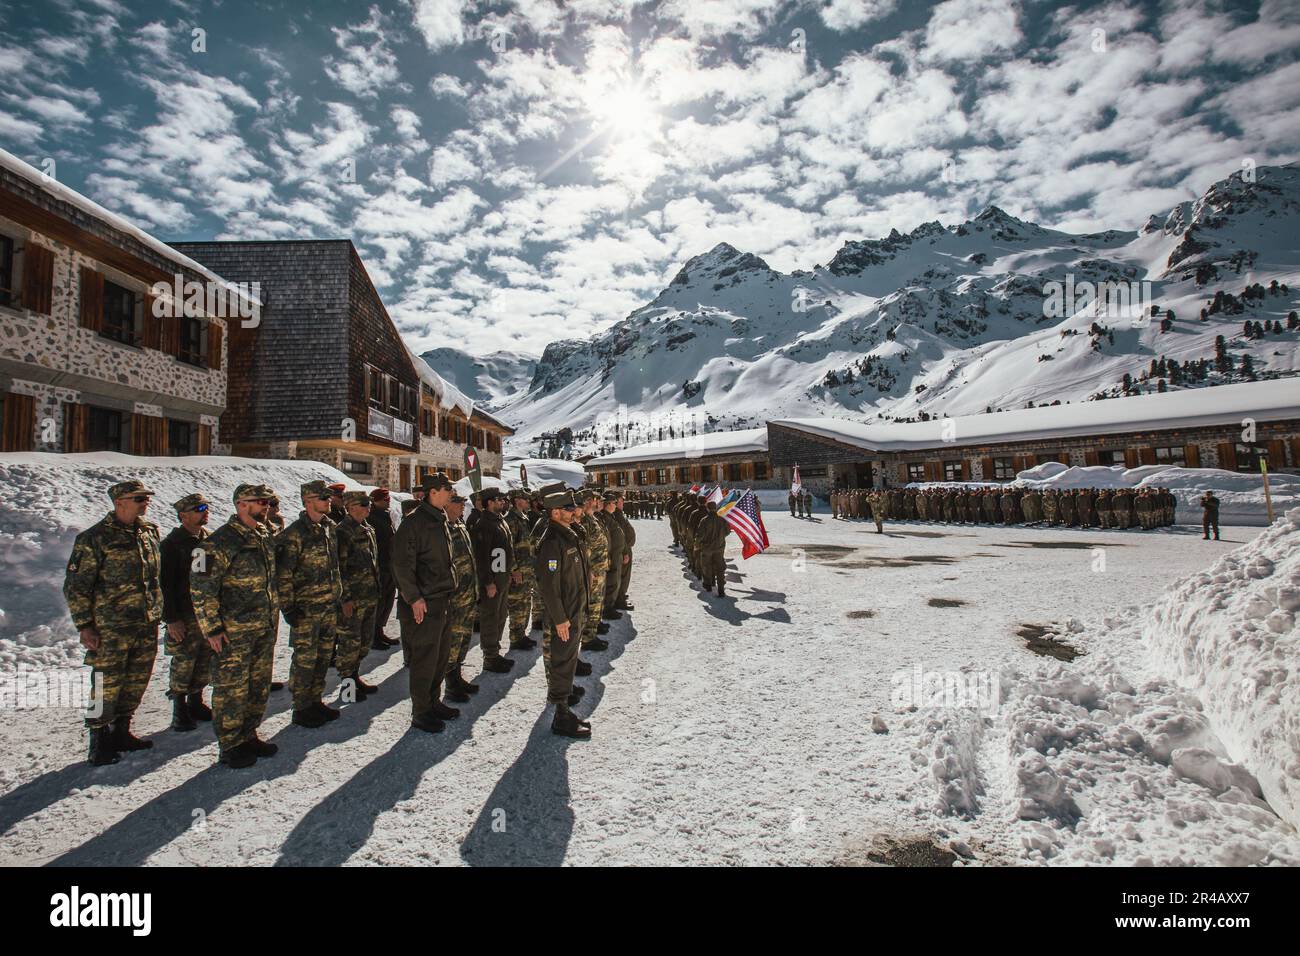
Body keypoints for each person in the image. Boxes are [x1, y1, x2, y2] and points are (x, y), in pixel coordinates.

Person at [63, 479, 163, 766]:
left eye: (146, 497)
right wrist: (85, 625)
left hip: (145, 622)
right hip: (111, 627)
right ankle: (98, 740)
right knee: (104, 683)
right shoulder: (94, 539)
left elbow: (154, 578)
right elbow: (76, 586)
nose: (146, 502)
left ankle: (122, 730)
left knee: (136, 679)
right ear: (120, 502)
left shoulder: (149, 532)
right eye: (139, 498)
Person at [191, 483, 281, 769]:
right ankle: (230, 744)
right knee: (232, 688)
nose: (265, 507)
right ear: (241, 504)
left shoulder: (264, 536)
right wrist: (212, 628)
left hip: (263, 626)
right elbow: (200, 588)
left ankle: (249, 733)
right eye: (260, 502)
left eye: (267, 503)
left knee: (258, 685)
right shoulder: (215, 543)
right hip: (233, 632)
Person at [392, 473, 461, 733]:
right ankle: (421, 712)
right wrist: (414, 598)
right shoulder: (414, 524)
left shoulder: (439, 519)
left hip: (442, 599)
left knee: (440, 657)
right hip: (424, 603)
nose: (451, 494)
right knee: (424, 659)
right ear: (433, 492)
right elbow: (401, 565)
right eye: (447, 490)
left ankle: (433, 702)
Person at [277, 480, 345, 728]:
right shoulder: (294, 534)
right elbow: (283, 575)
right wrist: (289, 608)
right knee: (305, 660)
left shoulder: (329, 528)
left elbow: (334, 567)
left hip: (328, 606)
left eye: (328, 497)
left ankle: (315, 700)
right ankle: (301, 706)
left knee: (323, 657)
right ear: (307, 501)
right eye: (322, 497)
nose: (328, 500)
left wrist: (338, 597)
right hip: (306, 610)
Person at [533, 486, 591, 739]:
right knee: (561, 663)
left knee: (568, 662)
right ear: (556, 512)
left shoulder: (568, 535)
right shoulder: (552, 542)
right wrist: (560, 619)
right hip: (565, 616)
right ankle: (561, 715)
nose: (574, 512)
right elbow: (549, 585)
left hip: (574, 612)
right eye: (569, 509)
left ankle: (564, 710)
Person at [160, 492, 213, 732]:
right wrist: (172, 619)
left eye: (205, 508)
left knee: (203, 659)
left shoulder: (206, 540)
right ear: (183, 515)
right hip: (184, 615)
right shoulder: (172, 545)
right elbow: (165, 586)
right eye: (199, 508)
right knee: (184, 661)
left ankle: (196, 701)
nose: (205, 512)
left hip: (204, 614)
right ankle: (179, 709)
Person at [336, 491, 382, 699]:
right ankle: (347, 690)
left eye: (368, 504)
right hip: (353, 599)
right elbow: (339, 568)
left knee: (364, 641)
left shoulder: (367, 529)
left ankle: (355, 677)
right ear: (351, 507)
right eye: (363, 504)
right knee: (349, 644)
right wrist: (345, 598)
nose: (368, 508)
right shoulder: (343, 532)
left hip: (369, 595)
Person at [471, 487, 517, 673]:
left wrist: (512, 571)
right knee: (490, 617)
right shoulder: (483, 525)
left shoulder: (500, 521)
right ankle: (490, 657)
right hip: (492, 580)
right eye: (498, 499)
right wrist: (488, 582)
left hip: (503, 576)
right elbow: (481, 558)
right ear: (489, 502)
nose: (502, 502)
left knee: (500, 615)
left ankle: (495, 652)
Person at [442, 493, 481, 702]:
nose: (463, 507)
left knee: (464, 639)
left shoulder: (460, 526)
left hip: (468, 593)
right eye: (459, 504)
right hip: (454, 597)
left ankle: (457, 676)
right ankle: (450, 683)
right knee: (453, 641)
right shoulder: (442, 528)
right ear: (448, 505)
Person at [505, 488, 538, 651]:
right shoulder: (511, 519)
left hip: (527, 570)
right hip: (518, 572)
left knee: (525, 604)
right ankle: (515, 638)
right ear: (518, 500)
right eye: (526, 500)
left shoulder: (522, 518)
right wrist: (514, 569)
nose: (528, 503)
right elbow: (507, 548)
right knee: (517, 606)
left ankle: (521, 635)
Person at [368, 488, 400, 650]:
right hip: (380, 564)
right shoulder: (371, 518)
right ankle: (373, 635)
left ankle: (379, 630)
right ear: (375, 501)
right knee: (380, 601)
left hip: (389, 563)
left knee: (388, 599)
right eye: (384, 499)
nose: (387, 501)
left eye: (388, 499)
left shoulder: (385, 516)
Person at [579, 490, 611, 651]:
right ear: (588, 501)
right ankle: (587, 638)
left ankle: (593, 631)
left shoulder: (591, 518)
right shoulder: (584, 521)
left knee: (597, 602)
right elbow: (585, 548)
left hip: (599, 568)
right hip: (593, 570)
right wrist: (589, 570)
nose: (599, 503)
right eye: (596, 500)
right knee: (592, 603)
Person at [698, 499, 731, 596]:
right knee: (720, 568)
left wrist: (697, 545)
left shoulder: (704, 520)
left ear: (708, 509)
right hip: (719, 547)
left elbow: (700, 535)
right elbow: (727, 531)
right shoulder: (722, 520)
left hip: (707, 548)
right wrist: (721, 537)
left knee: (706, 566)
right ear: (715, 508)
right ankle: (721, 589)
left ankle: (708, 585)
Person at [614, 492, 636, 611]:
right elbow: (620, 537)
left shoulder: (619, 514)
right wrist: (625, 552)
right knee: (623, 576)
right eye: (621, 500)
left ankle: (621, 595)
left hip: (626, 548)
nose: (623, 502)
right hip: (624, 549)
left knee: (624, 576)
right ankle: (620, 599)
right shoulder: (617, 515)